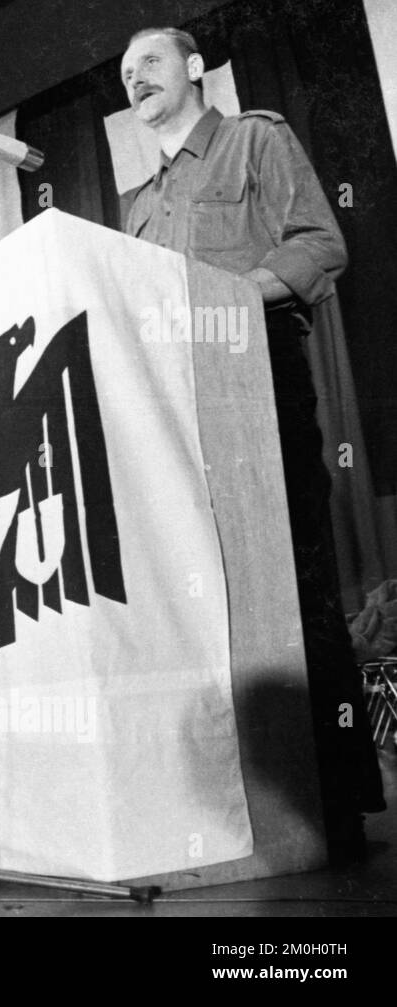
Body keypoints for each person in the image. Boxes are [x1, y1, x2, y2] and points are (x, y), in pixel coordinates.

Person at [121, 26, 384, 861]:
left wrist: (226, 300)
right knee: (204, 603)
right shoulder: (135, 204)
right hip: (169, 413)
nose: (136, 79)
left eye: (151, 62)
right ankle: (237, 805)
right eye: (126, 74)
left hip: (255, 377)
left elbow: (320, 243)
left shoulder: (252, 140)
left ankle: (330, 806)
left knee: (292, 583)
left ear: (196, 68)